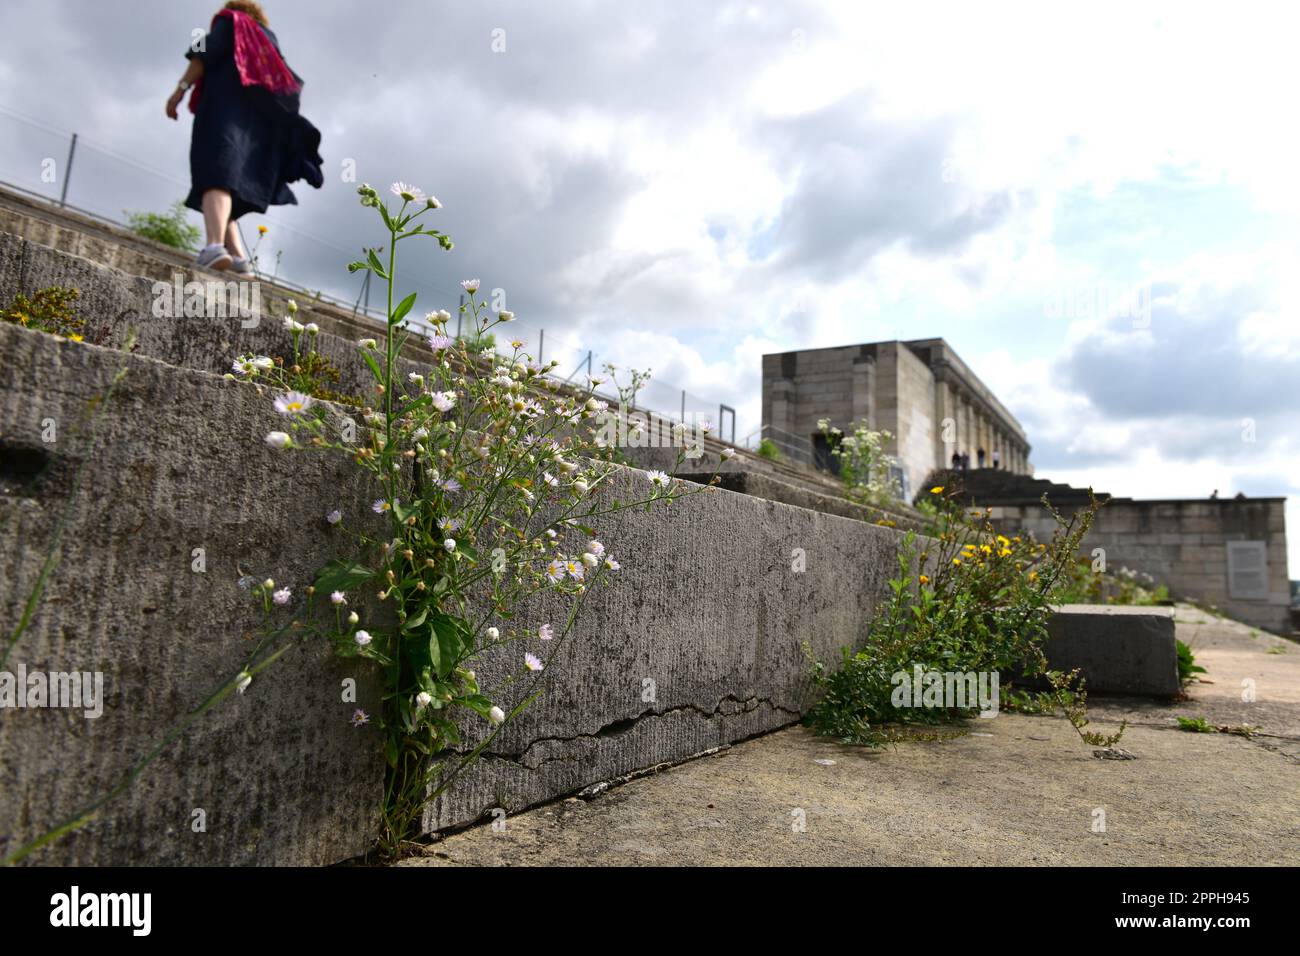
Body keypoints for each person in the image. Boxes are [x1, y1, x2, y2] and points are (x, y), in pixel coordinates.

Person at [166, 1, 322, 273]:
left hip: (223, 114)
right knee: (226, 184)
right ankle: (239, 258)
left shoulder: (231, 22)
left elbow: (203, 52)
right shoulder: (268, 41)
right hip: (258, 132)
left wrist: (180, 89)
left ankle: (214, 246)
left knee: (215, 177)